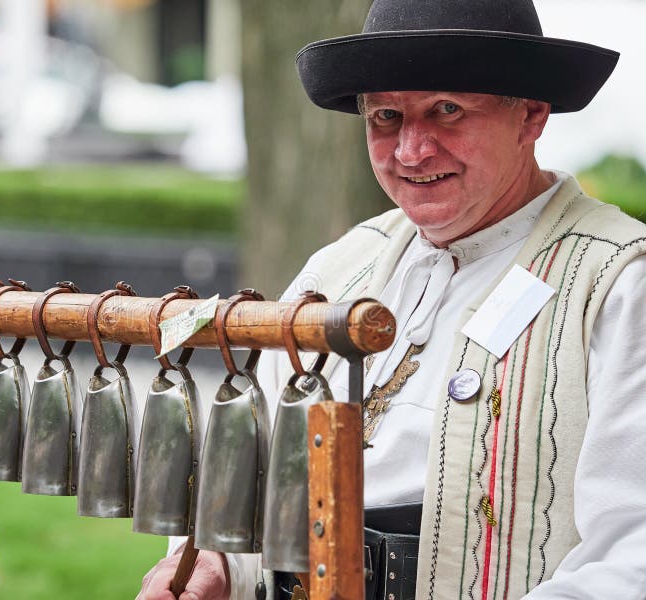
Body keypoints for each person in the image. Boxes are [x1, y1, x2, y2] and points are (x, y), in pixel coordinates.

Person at [139, 0, 646, 598]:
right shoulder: (338, 267)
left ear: (531, 115)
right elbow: (256, 462)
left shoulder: (617, 283)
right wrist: (214, 563)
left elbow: (632, 554)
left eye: (447, 110)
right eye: (385, 117)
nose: (411, 150)